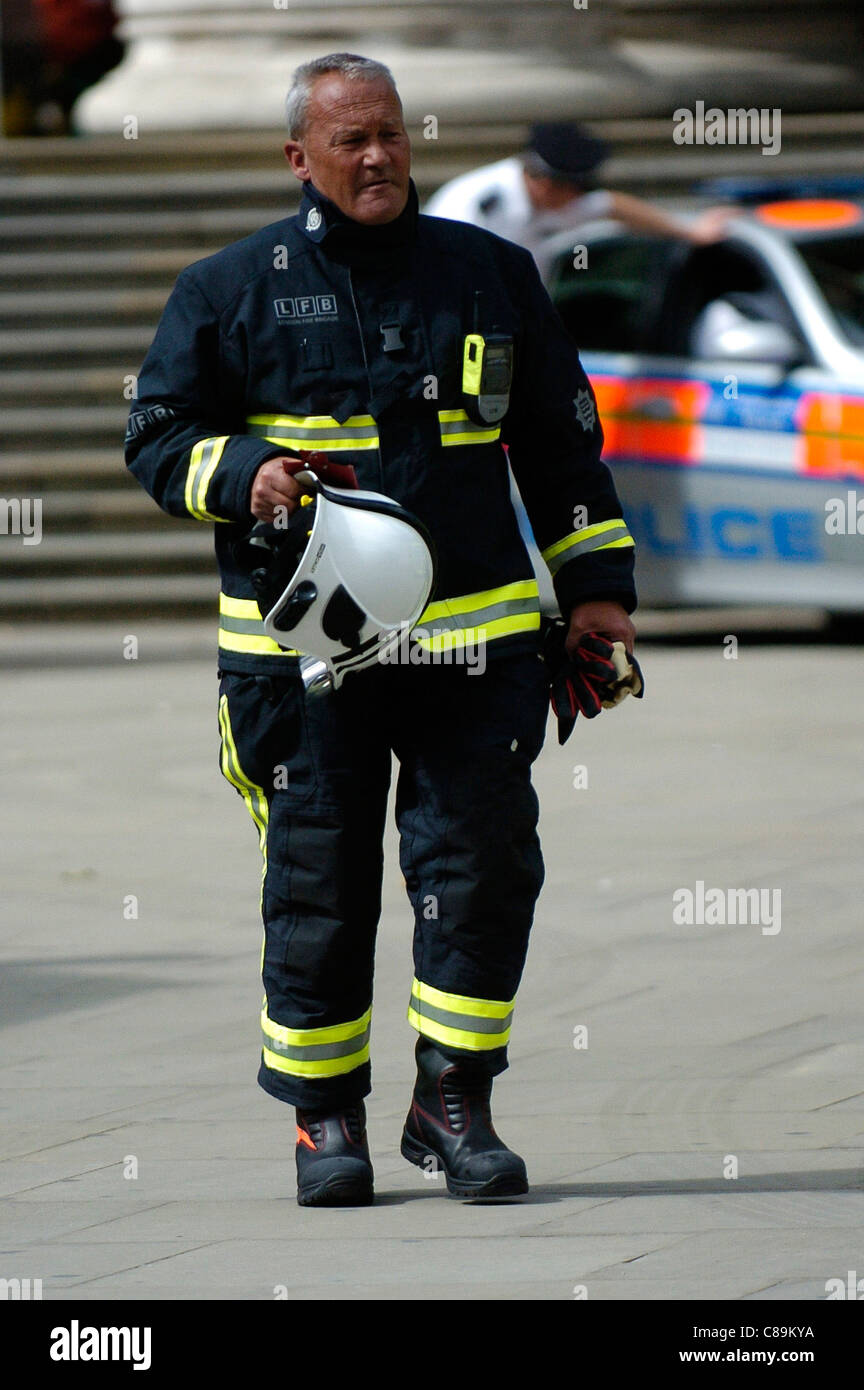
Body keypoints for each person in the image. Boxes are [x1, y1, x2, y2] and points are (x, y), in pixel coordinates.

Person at [125, 53, 638, 1208]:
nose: (377, 158)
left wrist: (596, 591)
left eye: (392, 136)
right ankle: (325, 1118)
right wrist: (244, 470)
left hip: (476, 649)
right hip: (304, 664)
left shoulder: (492, 275)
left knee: (481, 869)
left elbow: (561, 444)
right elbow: (157, 433)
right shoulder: (228, 289)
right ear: (300, 157)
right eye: (350, 140)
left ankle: (454, 1102)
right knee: (320, 883)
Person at [425, 120, 729, 275]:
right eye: (575, 192)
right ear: (546, 184)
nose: (578, 202)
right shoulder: (473, 206)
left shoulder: (548, 196)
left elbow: (613, 205)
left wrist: (690, 230)